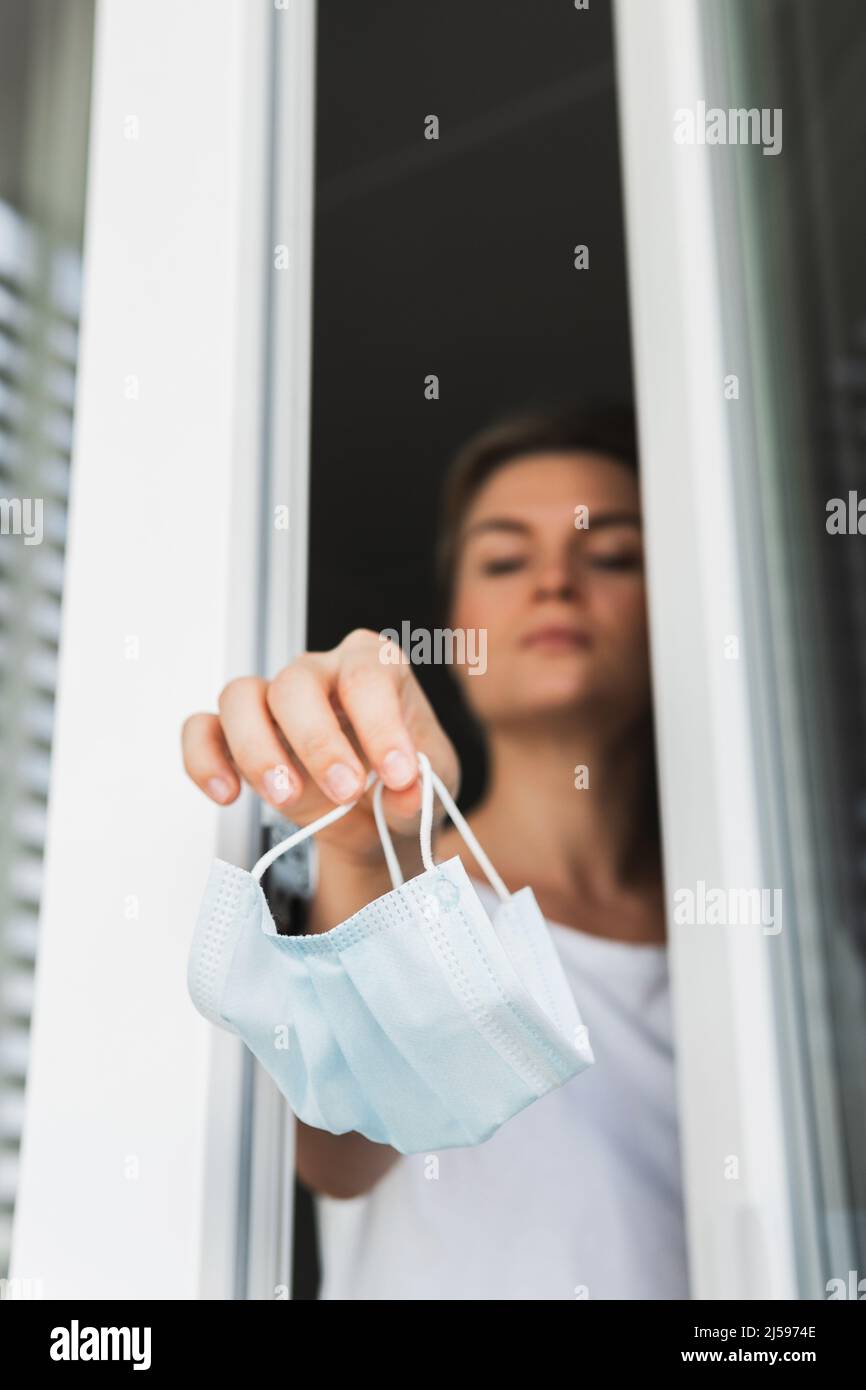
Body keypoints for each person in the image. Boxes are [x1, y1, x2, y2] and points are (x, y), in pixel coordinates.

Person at [181, 405, 689, 1300]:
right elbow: (342, 1147)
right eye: (504, 558)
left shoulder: (780, 960)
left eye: (611, 555)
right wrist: (369, 848)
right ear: (457, 617)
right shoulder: (409, 905)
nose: (556, 584)